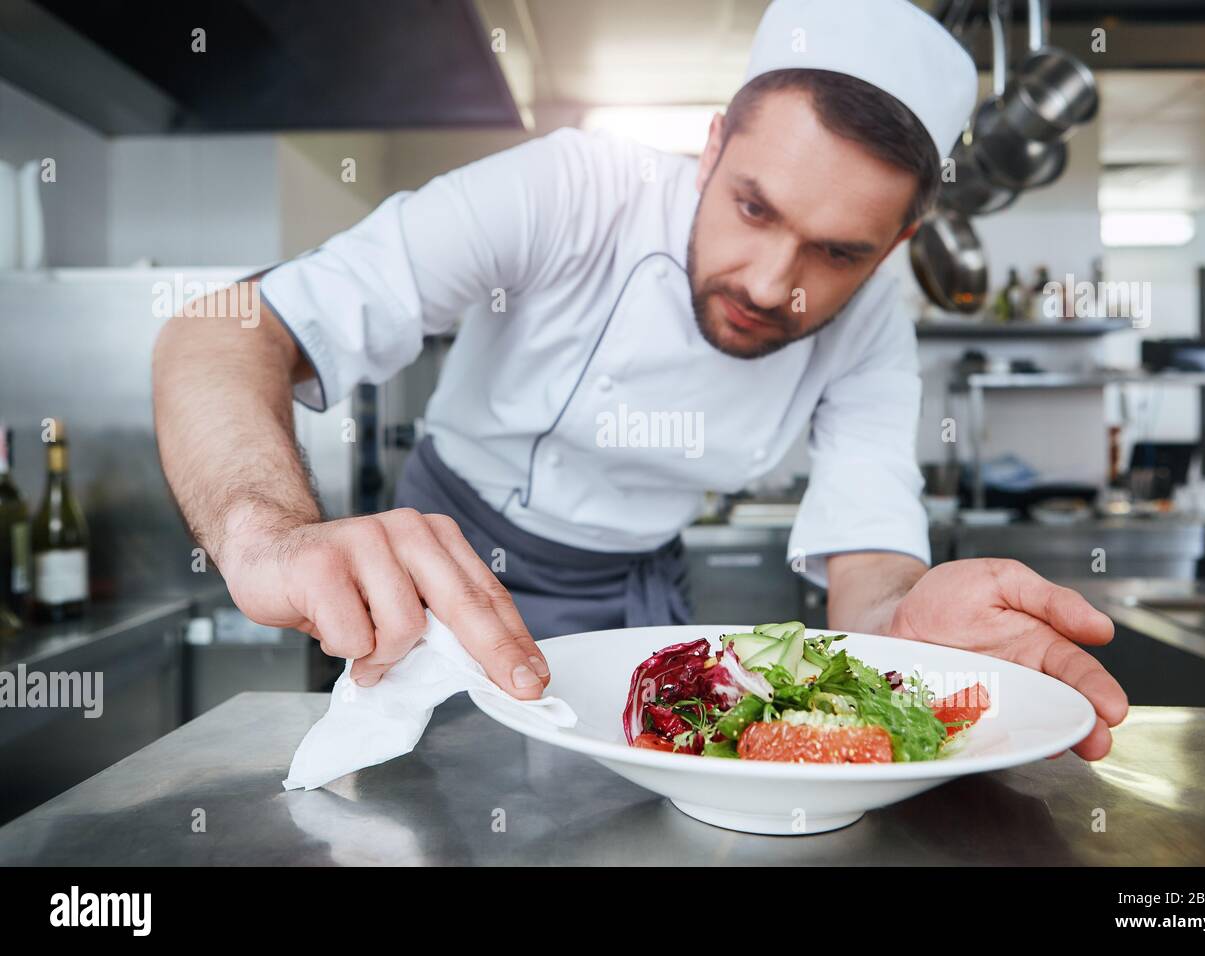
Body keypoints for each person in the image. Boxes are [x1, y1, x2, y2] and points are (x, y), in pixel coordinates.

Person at [152, 0, 1126, 759]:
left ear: (897, 244)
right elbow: (224, 329)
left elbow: (869, 571)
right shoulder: (571, 190)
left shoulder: (873, 322)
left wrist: (904, 633)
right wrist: (267, 532)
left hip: (642, 602)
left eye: (836, 250)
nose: (770, 281)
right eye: (752, 206)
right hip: (451, 588)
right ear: (709, 150)